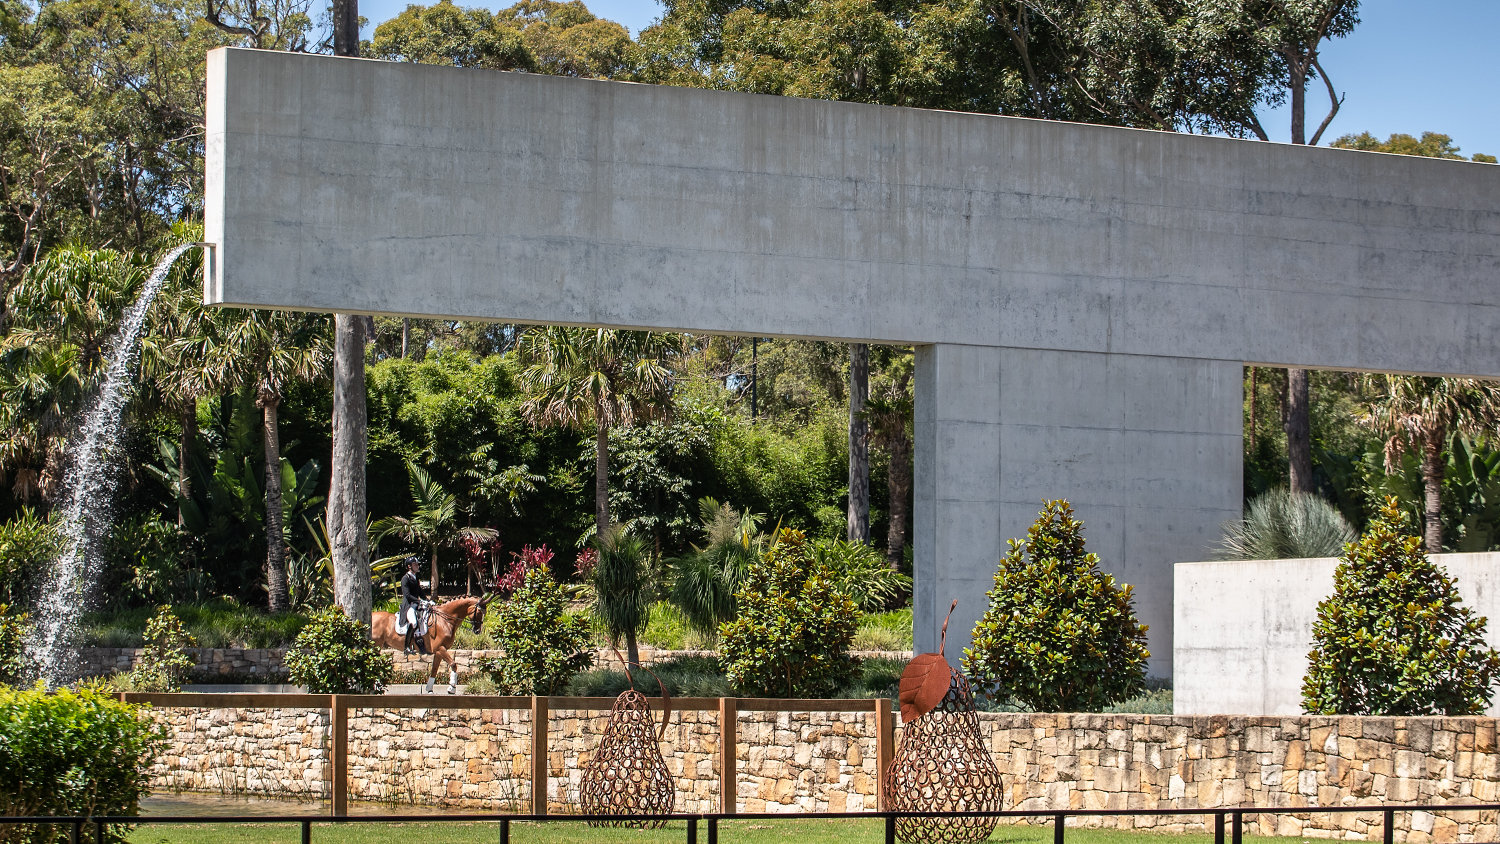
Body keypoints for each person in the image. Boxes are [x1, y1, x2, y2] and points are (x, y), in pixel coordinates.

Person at [399, 556, 429, 655]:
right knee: (413, 622)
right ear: (409, 567)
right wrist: (419, 601)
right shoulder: (405, 579)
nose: (417, 566)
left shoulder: (415, 578)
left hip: (415, 604)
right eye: (415, 564)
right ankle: (406, 647)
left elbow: (420, 592)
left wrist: (427, 600)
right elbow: (407, 595)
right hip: (408, 605)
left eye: (417, 564)